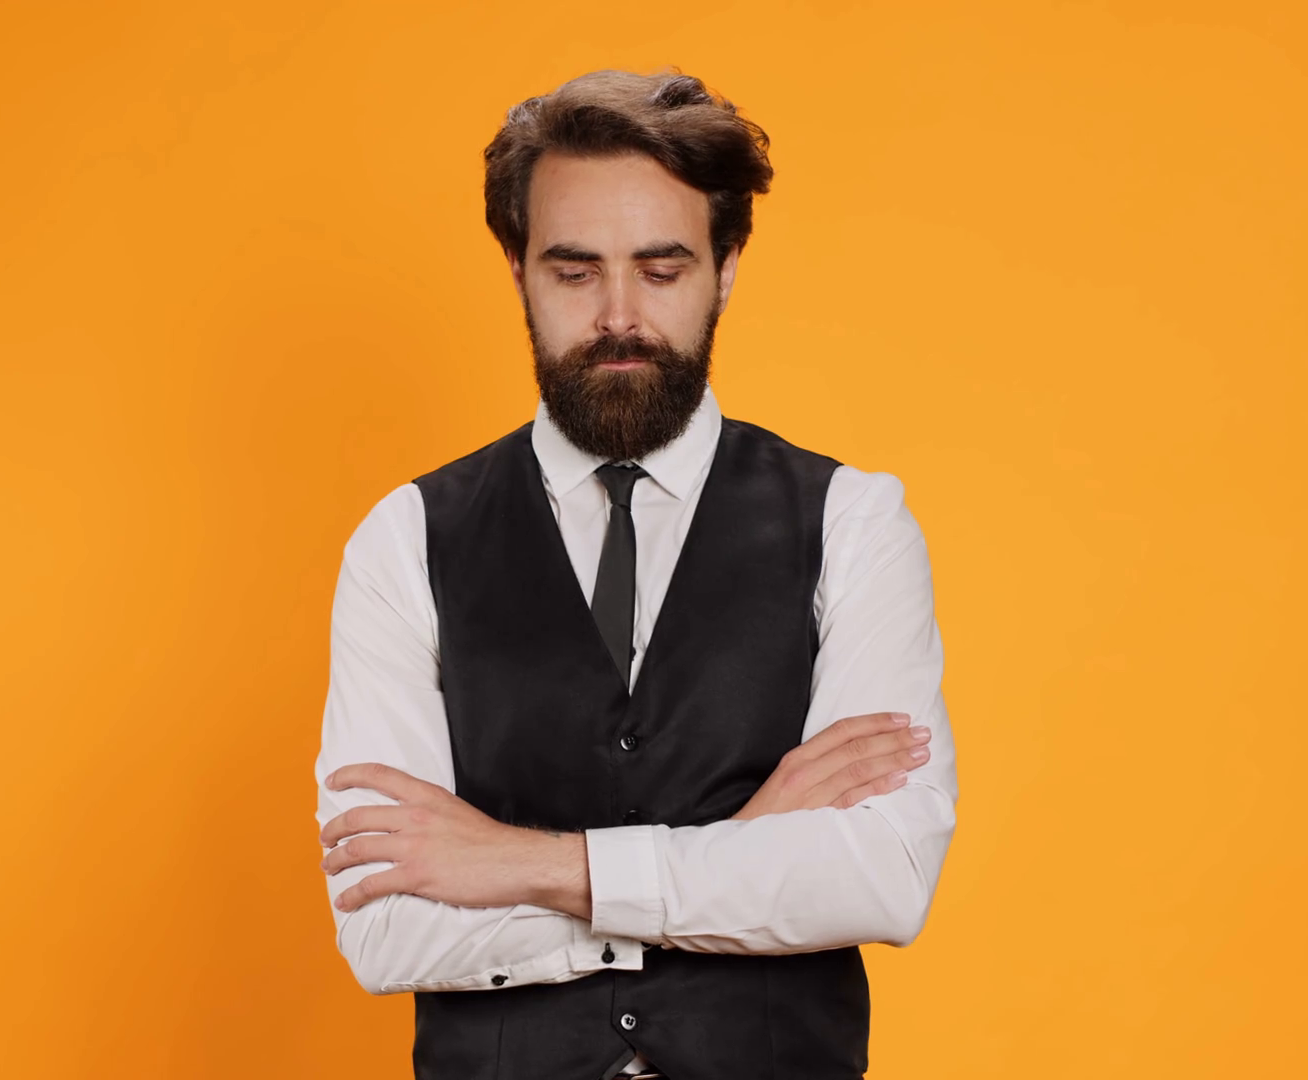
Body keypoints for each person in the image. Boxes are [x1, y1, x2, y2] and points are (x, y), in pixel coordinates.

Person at [312, 68, 958, 1080]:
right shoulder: (403, 540)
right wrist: (739, 855)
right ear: (516, 268)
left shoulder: (853, 521)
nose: (620, 317)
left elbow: (881, 878)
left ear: (727, 266)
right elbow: (388, 927)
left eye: (662, 272)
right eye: (575, 273)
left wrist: (531, 866)